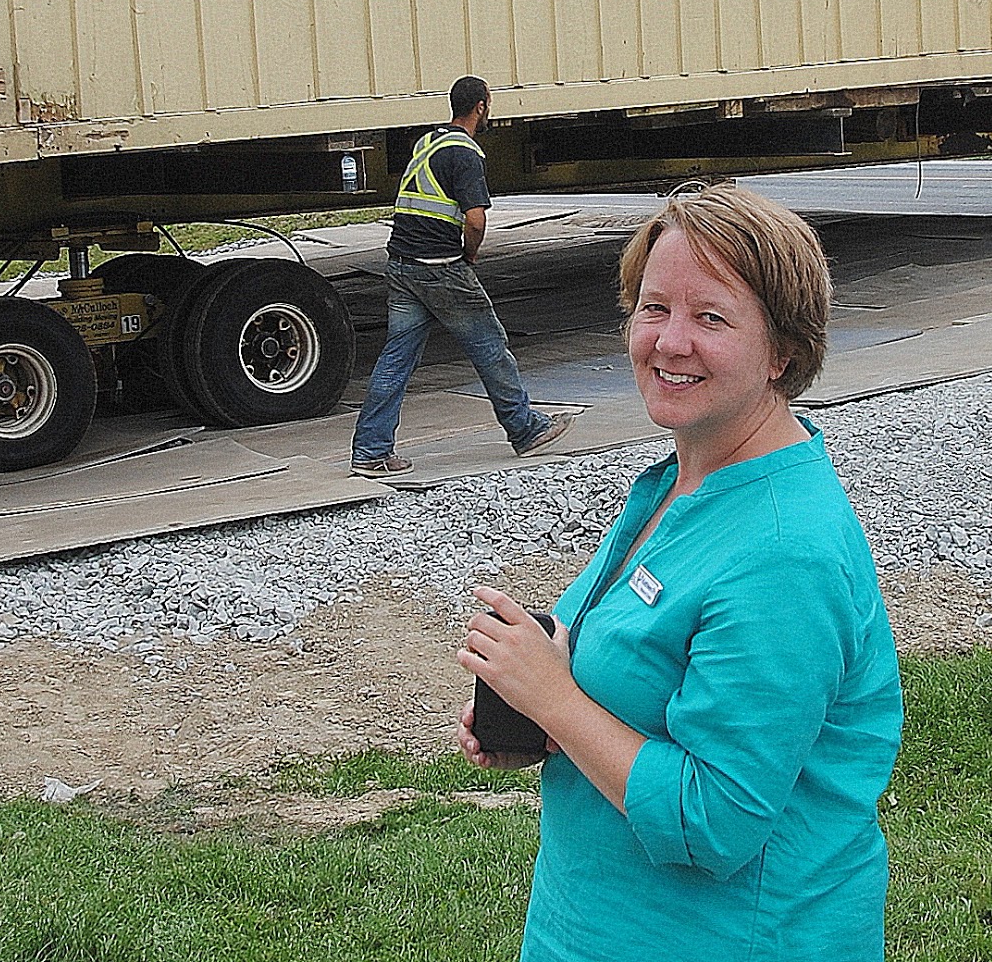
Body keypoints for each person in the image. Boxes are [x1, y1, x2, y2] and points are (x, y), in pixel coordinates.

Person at [456, 183, 903, 962]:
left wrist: (555, 701)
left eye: (712, 317)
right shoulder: (684, 481)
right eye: (654, 307)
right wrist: (532, 714)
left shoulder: (783, 549)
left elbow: (713, 822)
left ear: (784, 353)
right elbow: (632, 680)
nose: (669, 341)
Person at [349, 75, 575, 476]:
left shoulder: (427, 143)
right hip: (440, 268)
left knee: (395, 360)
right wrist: (469, 254)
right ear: (481, 107)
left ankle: (370, 450)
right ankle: (525, 430)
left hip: (401, 264)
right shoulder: (465, 153)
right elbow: (475, 220)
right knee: (491, 349)